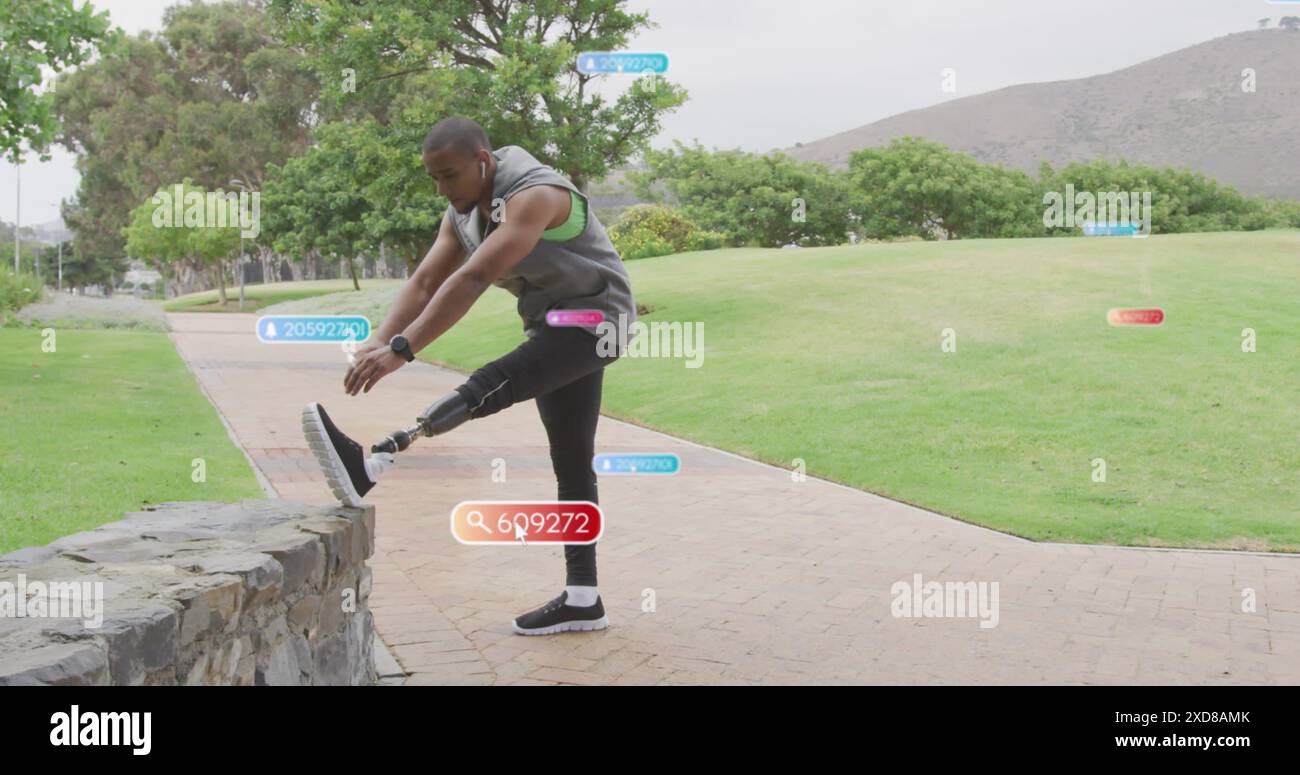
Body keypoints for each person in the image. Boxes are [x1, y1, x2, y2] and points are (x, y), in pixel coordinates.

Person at [301, 116, 638, 636]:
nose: (441, 188)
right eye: (433, 177)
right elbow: (426, 279)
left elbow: (474, 276)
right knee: (571, 460)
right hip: (549, 326)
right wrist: (379, 336)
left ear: (483, 161)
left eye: (449, 175)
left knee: (495, 382)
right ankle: (583, 598)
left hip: (598, 322)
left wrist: (402, 350)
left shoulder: (537, 195)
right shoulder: (460, 214)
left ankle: (377, 459)